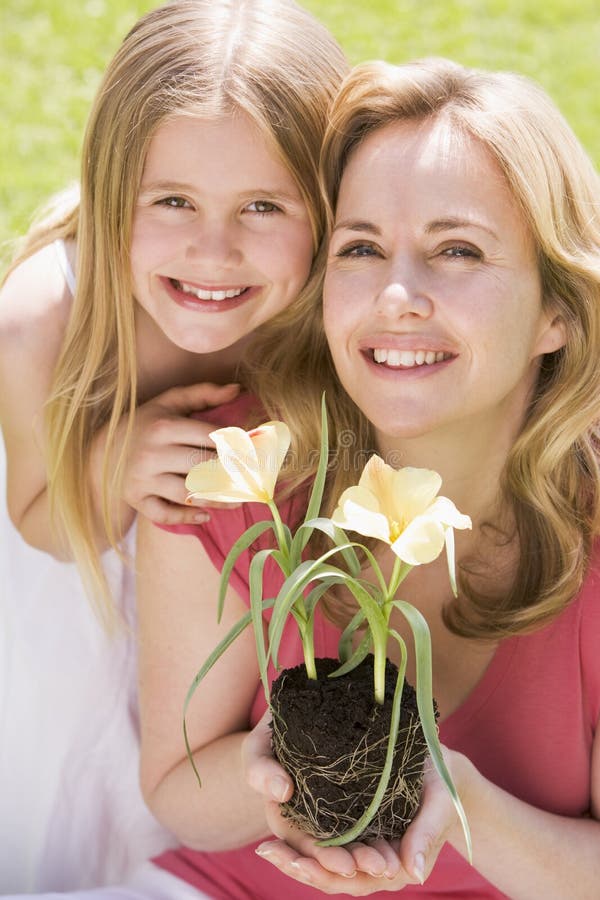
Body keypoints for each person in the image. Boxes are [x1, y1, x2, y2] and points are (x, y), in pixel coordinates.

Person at [8, 54, 600, 899]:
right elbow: (177, 785)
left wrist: (450, 794)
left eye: (458, 250)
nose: (397, 294)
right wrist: (285, 789)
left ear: (557, 313)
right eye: (362, 247)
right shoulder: (239, 469)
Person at [0, 0, 346, 889]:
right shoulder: (43, 322)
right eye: (174, 201)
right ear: (117, 192)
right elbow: (36, 523)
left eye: (263, 205)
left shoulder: (329, 309)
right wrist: (112, 463)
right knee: (83, 814)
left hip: (227, 610)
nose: (214, 252)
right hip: (80, 598)